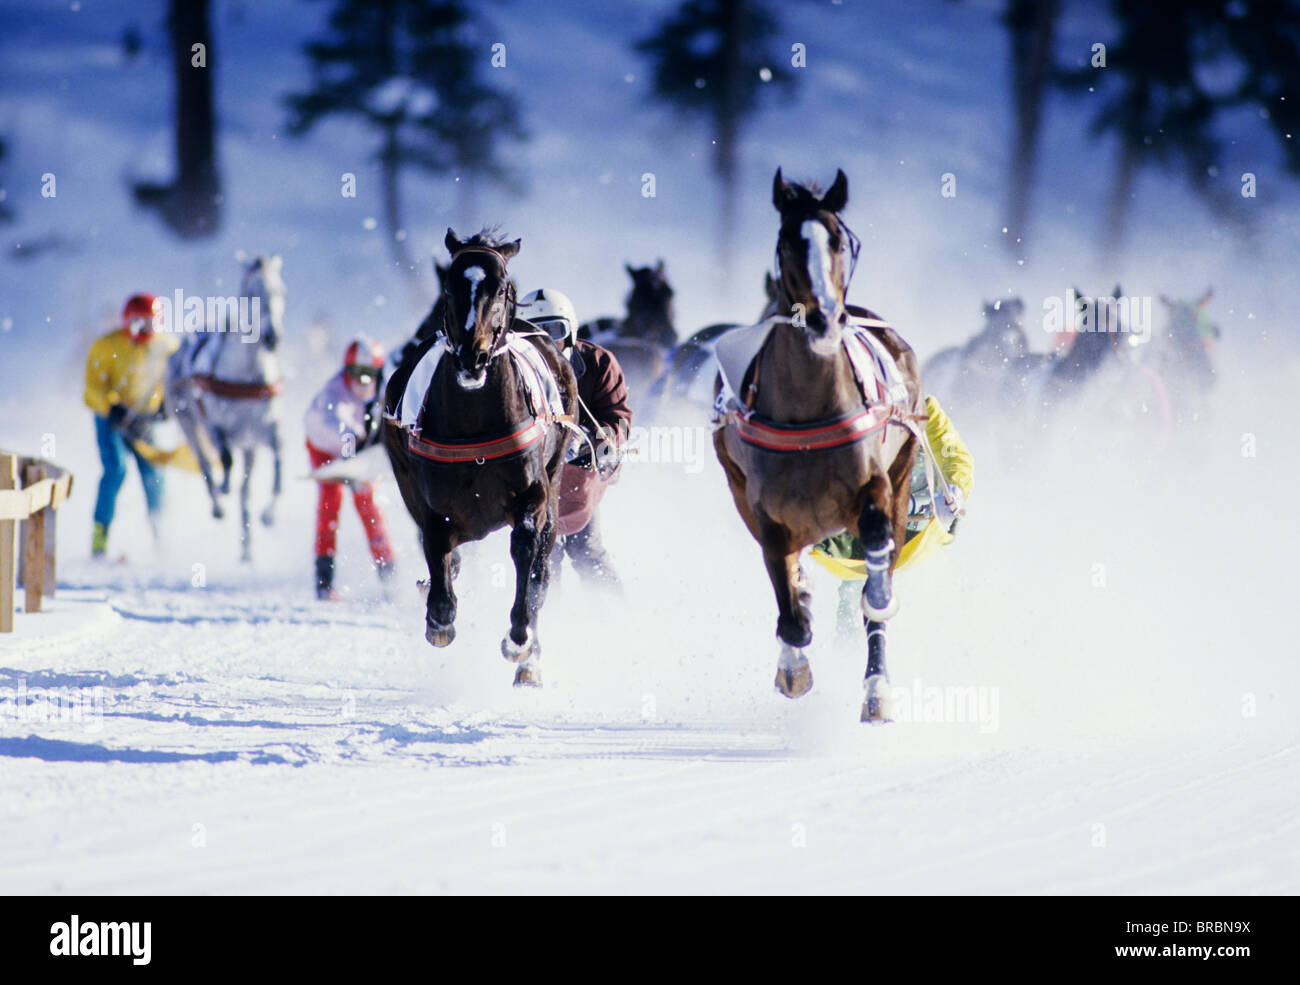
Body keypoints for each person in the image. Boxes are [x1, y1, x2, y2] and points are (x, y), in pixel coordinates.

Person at [811, 394, 973, 631]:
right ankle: (847, 657)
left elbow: (954, 456)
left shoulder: (919, 408)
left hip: (917, 542)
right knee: (853, 603)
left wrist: (954, 489)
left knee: (935, 605)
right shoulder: (837, 418)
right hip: (859, 548)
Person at [517, 288, 633, 591]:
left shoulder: (597, 362)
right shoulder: (513, 370)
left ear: (570, 331)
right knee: (541, 553)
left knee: (585, 551)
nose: (544, 341)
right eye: (533, 333)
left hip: (582, 469)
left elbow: (617, 413)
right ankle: (544, 622)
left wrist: (602, 441)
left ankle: (615, 617)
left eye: (553, 330)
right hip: (533, 476)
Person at [83, 293, 179, 557]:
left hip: (144, 422)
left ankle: (161, 539)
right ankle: (99, 541)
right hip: (111, 421)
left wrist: (167, 406)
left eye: (152, 322)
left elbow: (178, 382)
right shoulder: (106, 346)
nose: (146, 329)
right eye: (139, 323)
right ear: (127, 322)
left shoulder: (168, 347)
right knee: (116, 470)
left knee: (154, 475)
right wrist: (110, 405)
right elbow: (91, 387)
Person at [304, 337, 396, 600]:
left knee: (370, 508)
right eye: (357, 373)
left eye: (369, 374)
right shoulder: (335, 391)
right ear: (346, 371)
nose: (363, 381)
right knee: (329, 505)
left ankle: (390, 578)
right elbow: (336, 425)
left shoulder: (383, 387)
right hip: (324, 448)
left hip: (357, 450)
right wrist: (352, 455)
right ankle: (324, 583)